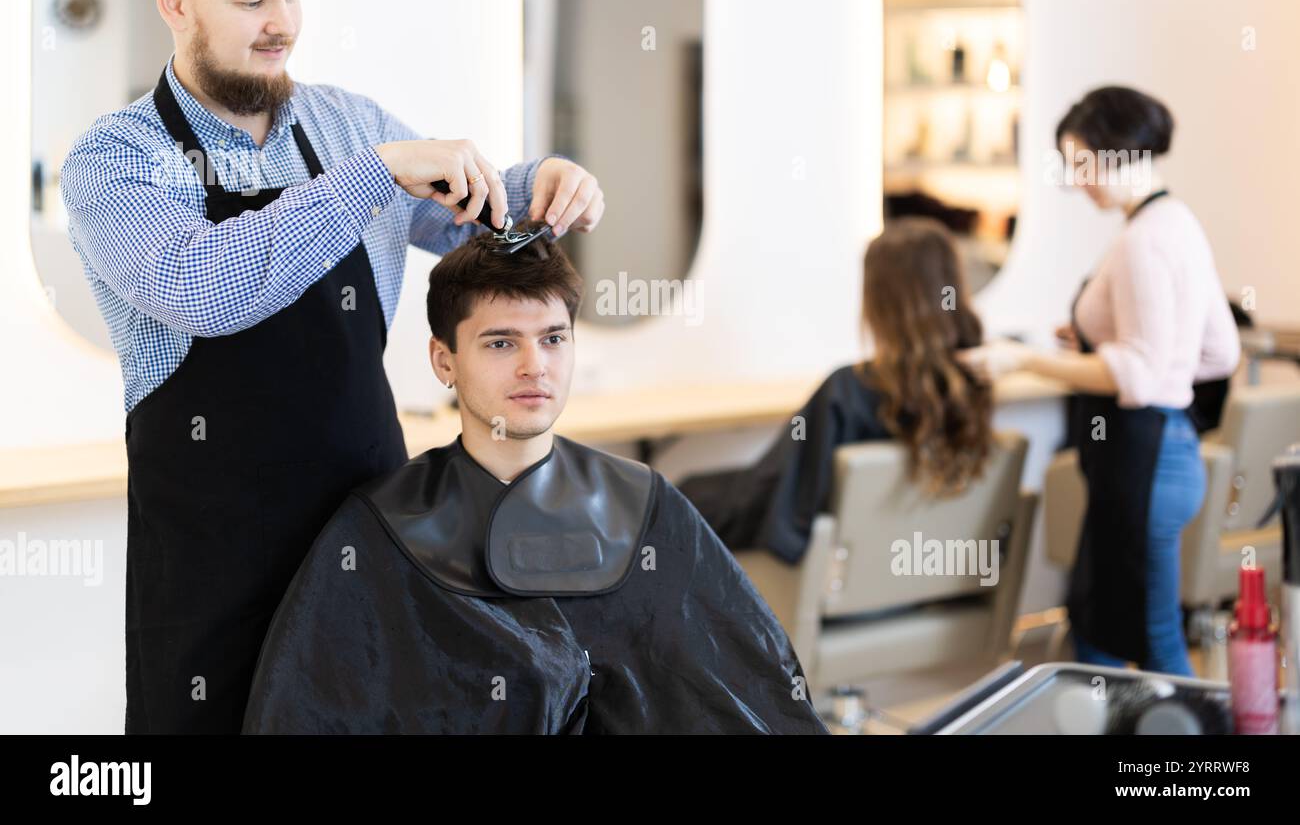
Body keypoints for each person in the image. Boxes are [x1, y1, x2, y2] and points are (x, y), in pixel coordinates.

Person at [59, 0, 604, 734]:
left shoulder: (348, 126)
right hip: (212, 579)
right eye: (252, 0)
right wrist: (372, 176)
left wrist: (540, 186)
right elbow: (206, 287)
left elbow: (463, 209)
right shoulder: (116, 160)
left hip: (368, 547)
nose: (283, 22)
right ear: (174, 0)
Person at [241, 233, 827, 733]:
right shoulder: (380, 528)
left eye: (553, 338)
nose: (534, 366)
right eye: (501, 343)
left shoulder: (643, 503)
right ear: (443, 360)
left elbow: (751, 696)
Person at [960, 86, 1240, 676]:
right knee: (1104, 635)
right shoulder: (1178, 223)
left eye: (1080, 162)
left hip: (1142, 462)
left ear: (1117, 151)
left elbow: (1137, 376)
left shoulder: (1140, 242)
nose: (1077, 179)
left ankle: (1214, 767)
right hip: (1171, 454)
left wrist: (1023, 360)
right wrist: (1115, 347)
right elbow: (1219, 351)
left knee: (1150, 640)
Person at [678, 217, 995, 564]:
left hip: (819, 577)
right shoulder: (975, 386)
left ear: (878, 302)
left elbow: (785, 515)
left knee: (682, 499)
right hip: (912, 574)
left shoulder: (846, 391)